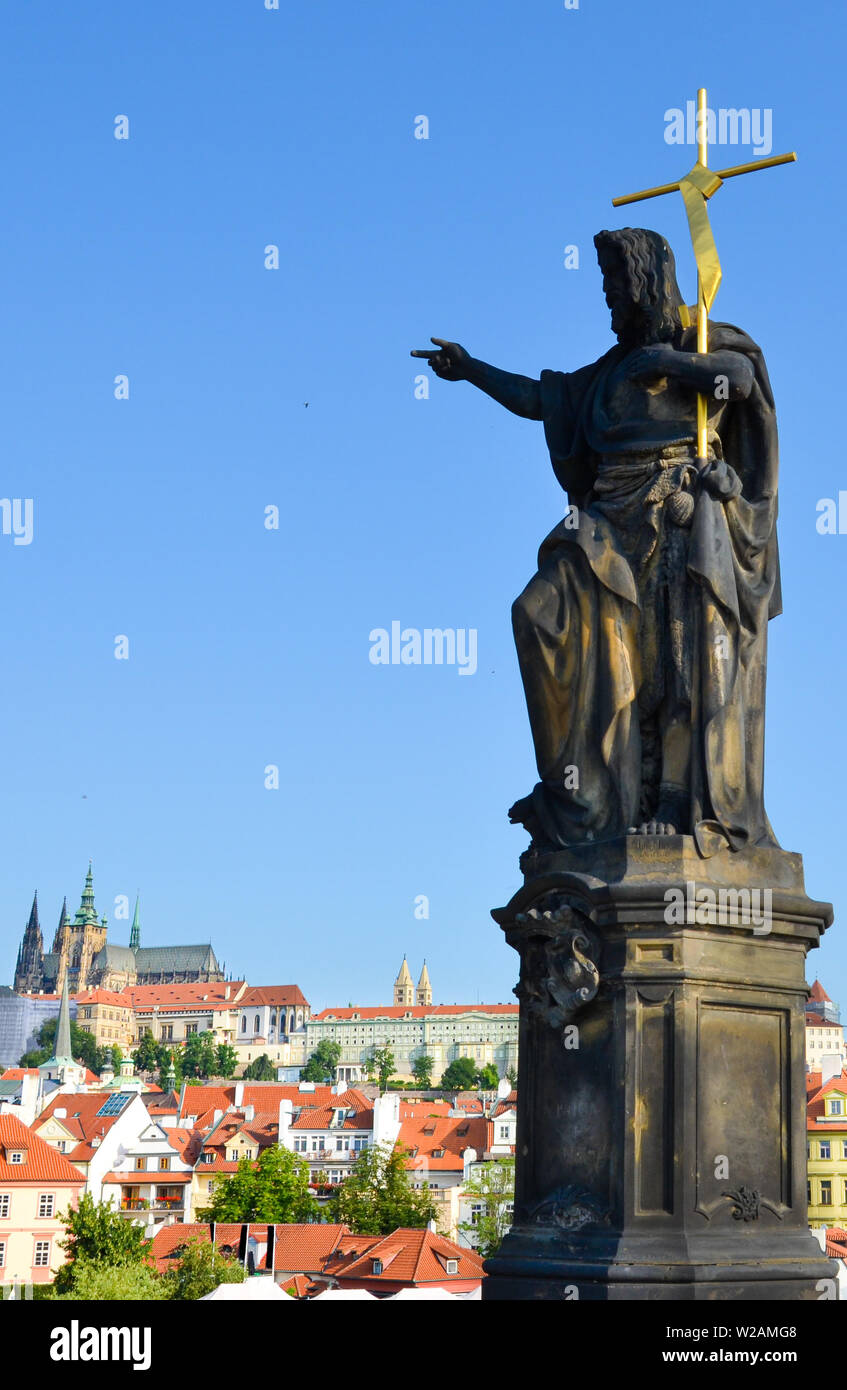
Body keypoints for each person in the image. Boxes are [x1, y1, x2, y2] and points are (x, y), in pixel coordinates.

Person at [411, 228, 781, 856]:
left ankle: (666, 798)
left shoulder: (699, 343)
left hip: (676, 514)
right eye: (604, 285)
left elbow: (740, 381)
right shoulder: (606, 373)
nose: (608, 298)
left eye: (615, 284)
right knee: (537, 613)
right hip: (606, 522)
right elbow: (538, 398)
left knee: (673, 661)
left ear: (645, 285)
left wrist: (666, 363)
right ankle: (575, 792)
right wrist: (470, 369)